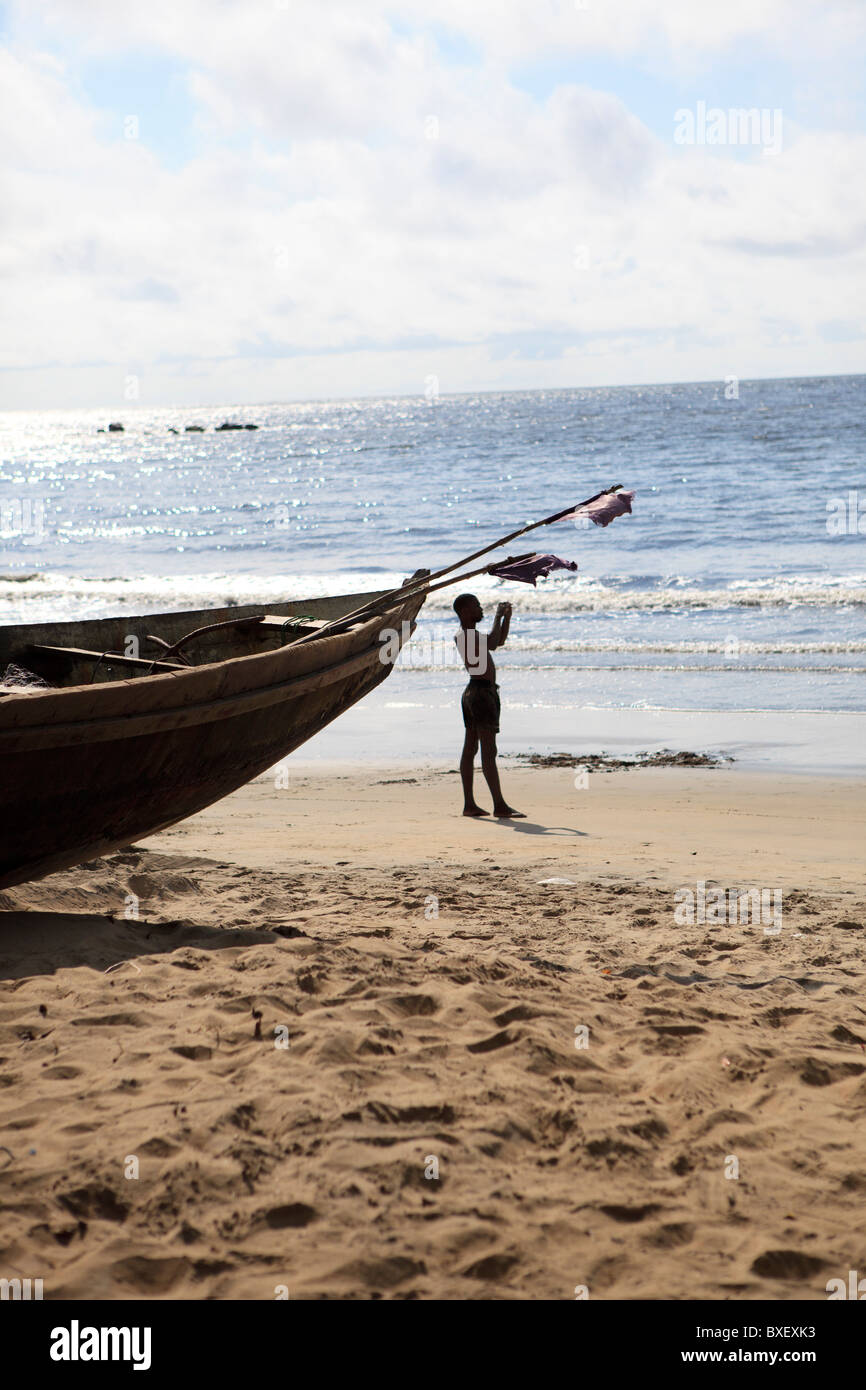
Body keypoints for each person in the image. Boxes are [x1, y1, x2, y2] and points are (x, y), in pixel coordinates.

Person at [453, 593, 525, 818]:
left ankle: (470, 805)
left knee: (472, 749)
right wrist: (497, 616)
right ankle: (499, 805)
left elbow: (498, 641)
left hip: (478, 693)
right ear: (465, 611)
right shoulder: (465, 635)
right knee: (487, 751)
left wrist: (507, 618)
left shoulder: (470, 634)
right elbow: (493, 642)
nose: (481, 609)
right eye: (477, 606)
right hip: (480, 694)